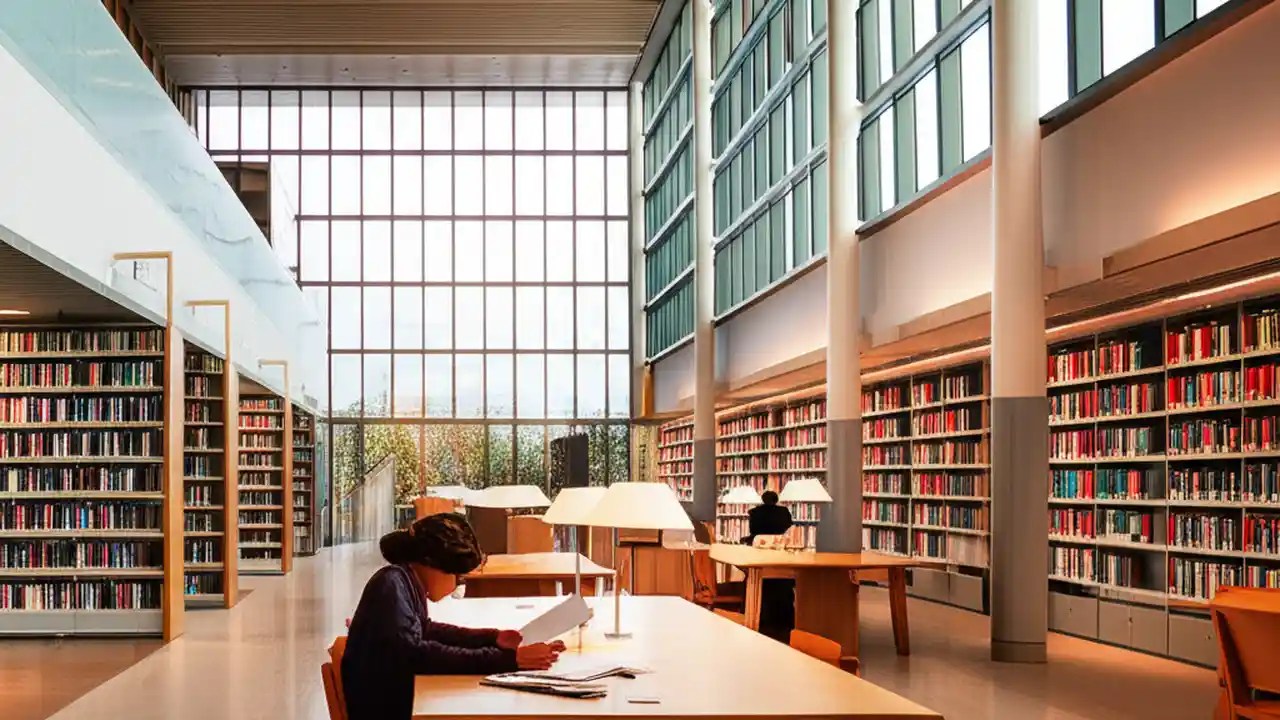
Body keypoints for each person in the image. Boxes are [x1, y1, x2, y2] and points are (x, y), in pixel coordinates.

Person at [342, 513, 565, 720]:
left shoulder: (404, 581)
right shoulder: (391, 585)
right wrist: (507, 660)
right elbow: (417, 655)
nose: (457, 583)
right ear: (432, 563)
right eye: (457, 576)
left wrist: (492, 638)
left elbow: (426, 630)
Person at [744, 490, 795, 642]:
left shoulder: (754, 512)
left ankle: (762, 615)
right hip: (780, 549)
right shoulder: (784, 512)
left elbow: (753, 531)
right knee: (782, 584)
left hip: (759, 549)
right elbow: (787, 526)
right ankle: (785, 619)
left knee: (764, 583)